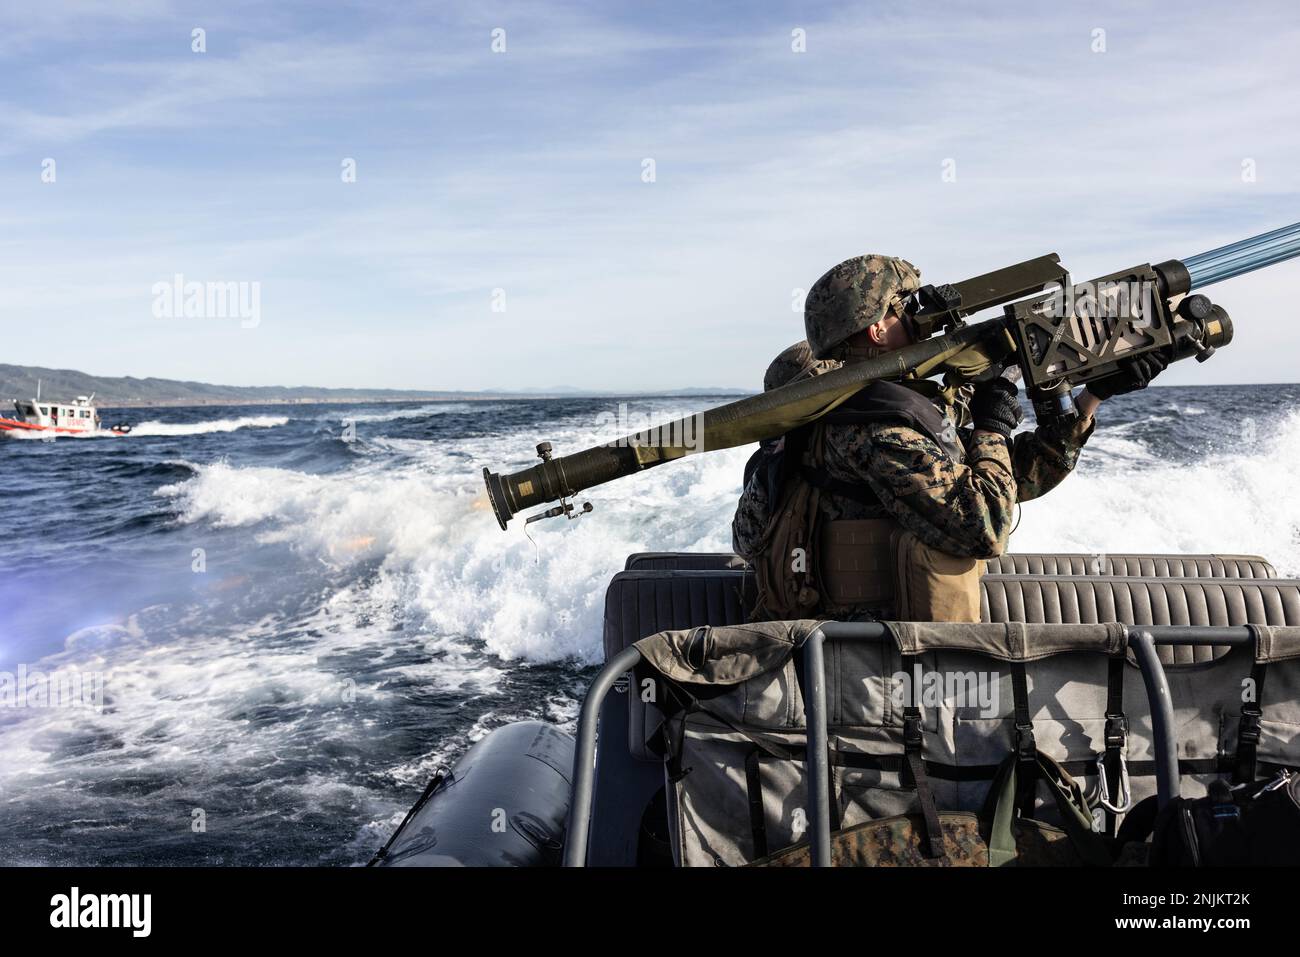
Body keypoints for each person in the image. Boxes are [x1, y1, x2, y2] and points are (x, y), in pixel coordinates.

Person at [733, 254, 1166, 622]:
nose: (922, 317)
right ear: (876, 330)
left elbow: (1012, 483)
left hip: (865, 652)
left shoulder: (846, 414)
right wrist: (992, 424)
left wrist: (1089, 399)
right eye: (904, 305)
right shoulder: (872, 427)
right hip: (875, 671)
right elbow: (987, 524)